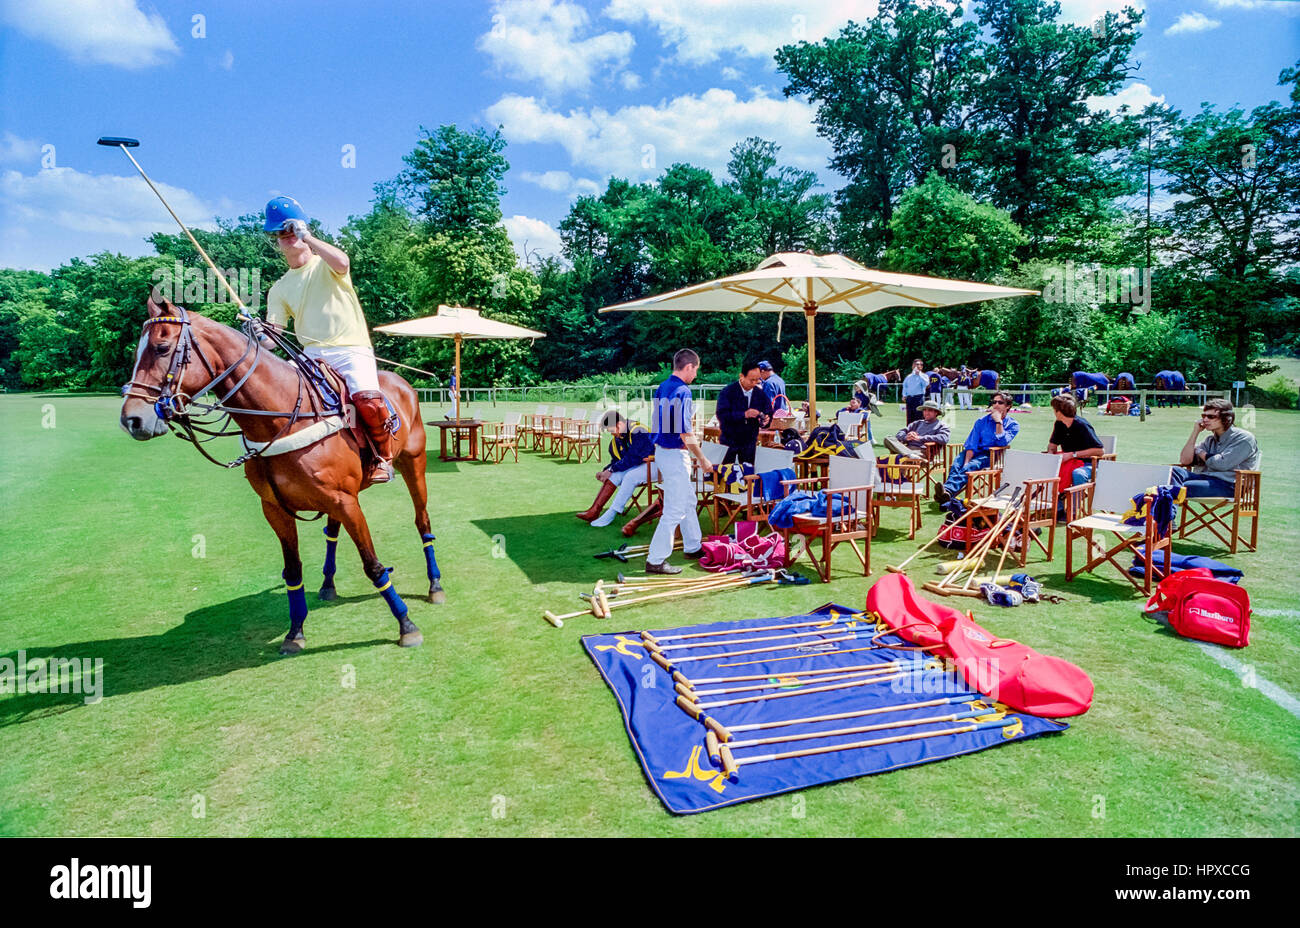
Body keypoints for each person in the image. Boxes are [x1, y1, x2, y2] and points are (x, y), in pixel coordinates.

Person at [263, 196, 395, 483]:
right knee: (278, 395)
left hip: (351, 348)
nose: (287, 237)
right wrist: (258, 333)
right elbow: (272, 337)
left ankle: (384, 458)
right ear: (276, 240)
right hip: (310, 355)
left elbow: (343, 261)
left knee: (368, 401)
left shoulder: (326, 264)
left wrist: (308, 237)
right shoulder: (279, 288)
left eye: (291, 230)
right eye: (281, 233)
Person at [646, 349, 715, 574]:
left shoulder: (662, 387)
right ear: (688, 367)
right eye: (696, 369)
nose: (696, 374)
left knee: (687, 500)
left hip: (663, 451)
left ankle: (693, 545)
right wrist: (703, 459)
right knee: (675, 509)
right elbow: (685, 432)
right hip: (674, 453)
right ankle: (655, 560)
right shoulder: (683, 391)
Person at [935, 391, 1019, 504]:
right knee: (957, 465)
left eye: (1000, 402)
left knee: (972, 465)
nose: (996, 405)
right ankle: (947, 496)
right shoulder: (981, 421)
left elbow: (1002, 442)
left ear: (1008, 406)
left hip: (992, 454)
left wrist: (999, 422)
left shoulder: (1013, 425)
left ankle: (947, 492)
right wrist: (966, 462)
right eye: (994, 402)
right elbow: (972, 443)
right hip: (973, 451)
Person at [576, 411, 656, 527]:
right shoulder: (618, 438)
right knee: (615, 475)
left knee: (630, 476)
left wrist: (612, 469)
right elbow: (617, 460)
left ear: (619, 425)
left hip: (656, 464)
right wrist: (606, 471)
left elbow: (634, 457)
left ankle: (612, 513)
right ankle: (594, 511)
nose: (612, 434)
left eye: (612, 431)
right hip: (640, 464)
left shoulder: (638, 430)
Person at [1171, 399, 1260, 497]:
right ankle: (1166, 507)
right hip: (1207, 479)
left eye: (1211, 416)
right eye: (1203, 416)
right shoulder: (1210, 440)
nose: (1205, 419)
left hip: (1231, 485)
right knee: (1172, 472)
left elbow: (1221, 464)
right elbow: (1185, 460)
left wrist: (1200, 451)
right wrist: (1195, 432)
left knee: (1180, 488)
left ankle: (1166, 508)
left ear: (1226, 418)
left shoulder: (1244, 438)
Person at [1045, 393, 1105, 516]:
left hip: (1089, 464)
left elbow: (1100, 451)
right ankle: (1059, 509)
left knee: (1078, 474)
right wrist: (1051, 455)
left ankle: (1072, 511)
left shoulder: (1082, 425)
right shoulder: (1059, 424)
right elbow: (1052, 445)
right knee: (1050, 468)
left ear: (1059, 412)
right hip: (1068, 461)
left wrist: (1073, 454)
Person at [715, 359, 773, 464]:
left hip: (749, 443)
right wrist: (744, 415)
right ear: (741, 376)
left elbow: (768, 412)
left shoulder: (760, 394)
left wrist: (766, 420)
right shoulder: (727, 392)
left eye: (758, 380)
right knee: (727, 475)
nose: (755, 383)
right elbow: (722, 415)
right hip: (729, 442)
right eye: (752, 380)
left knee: (748, 475)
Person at [884, 400, 949, 459]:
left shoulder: (941, 425)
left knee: (900, 459)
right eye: (925, 410)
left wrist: (920, 438)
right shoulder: (917, 423)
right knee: (888, 438)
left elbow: (944, 438)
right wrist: (906, 437)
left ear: (936, 413)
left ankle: (909, 455)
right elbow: (900, 433)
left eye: (930, 410)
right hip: (906, 449)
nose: (926, 412)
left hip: (922, 451)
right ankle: (909, 454)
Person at [902, 358, 927, 424]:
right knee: (910, 417)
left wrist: (919, 375)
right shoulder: (908, 377)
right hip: (910, 398)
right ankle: (909, 432)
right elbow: (905, 386)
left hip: (919, 398)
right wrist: (904, 395)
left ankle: (919, 432)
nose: (917, 366)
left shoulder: (924, 376)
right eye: (915, 364)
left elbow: (926, 384)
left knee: (919, 416)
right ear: (912, 366)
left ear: (921, 367)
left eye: (919, 365)